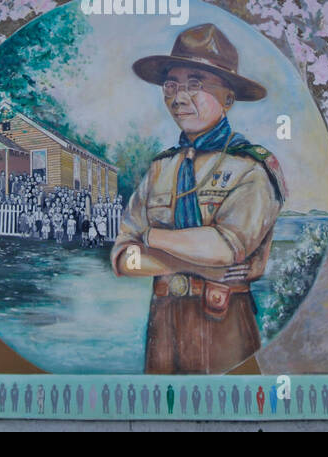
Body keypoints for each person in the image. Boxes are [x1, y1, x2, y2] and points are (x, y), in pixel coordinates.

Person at [111, 23, 286, 375]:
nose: (178, 97)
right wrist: (201, 265)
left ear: (228, 97)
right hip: (164, 323)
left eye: (195, 84)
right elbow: (122, 257)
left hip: (223, 323)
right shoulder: (160, 169)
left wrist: (152, 238)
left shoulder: (251, 168)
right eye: (171, 84)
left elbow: (227, 247)